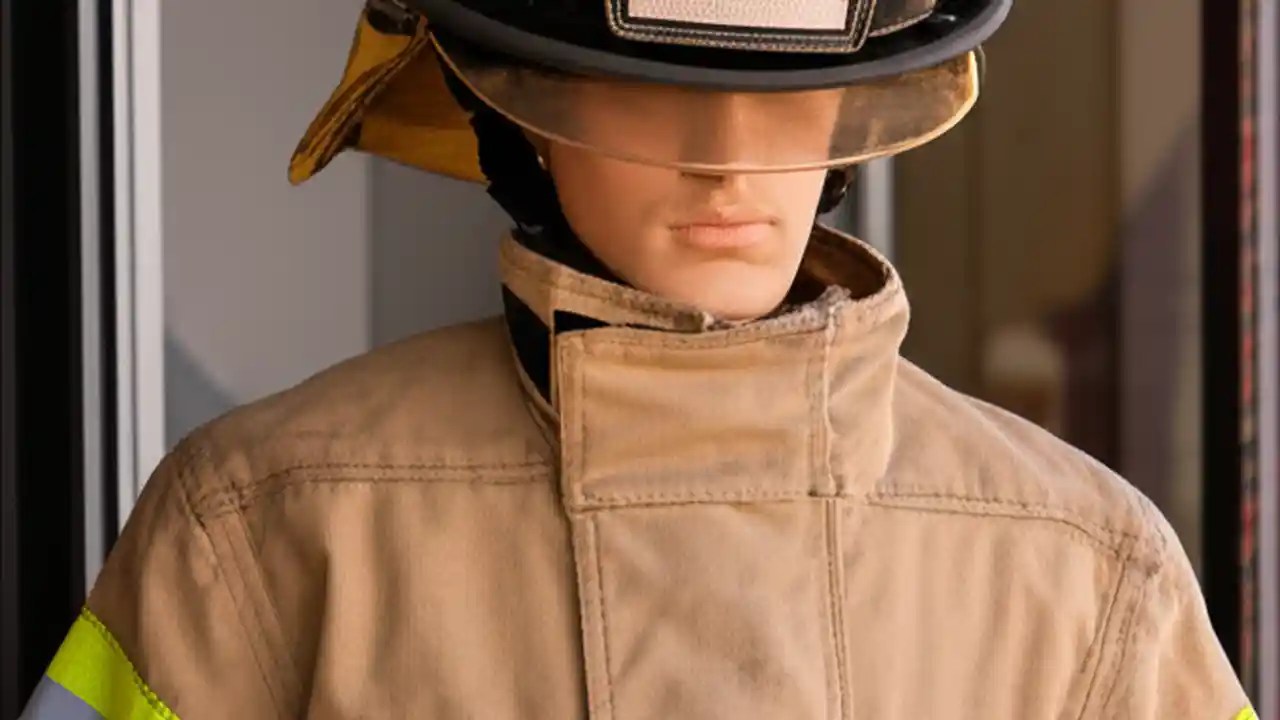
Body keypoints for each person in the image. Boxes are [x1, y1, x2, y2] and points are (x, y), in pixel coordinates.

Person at [20, 0, 1258, 718]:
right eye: (646, 81)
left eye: (783, 84)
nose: (723, 158)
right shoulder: (263, 530)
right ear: (515, 110)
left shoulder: (1089, 577)